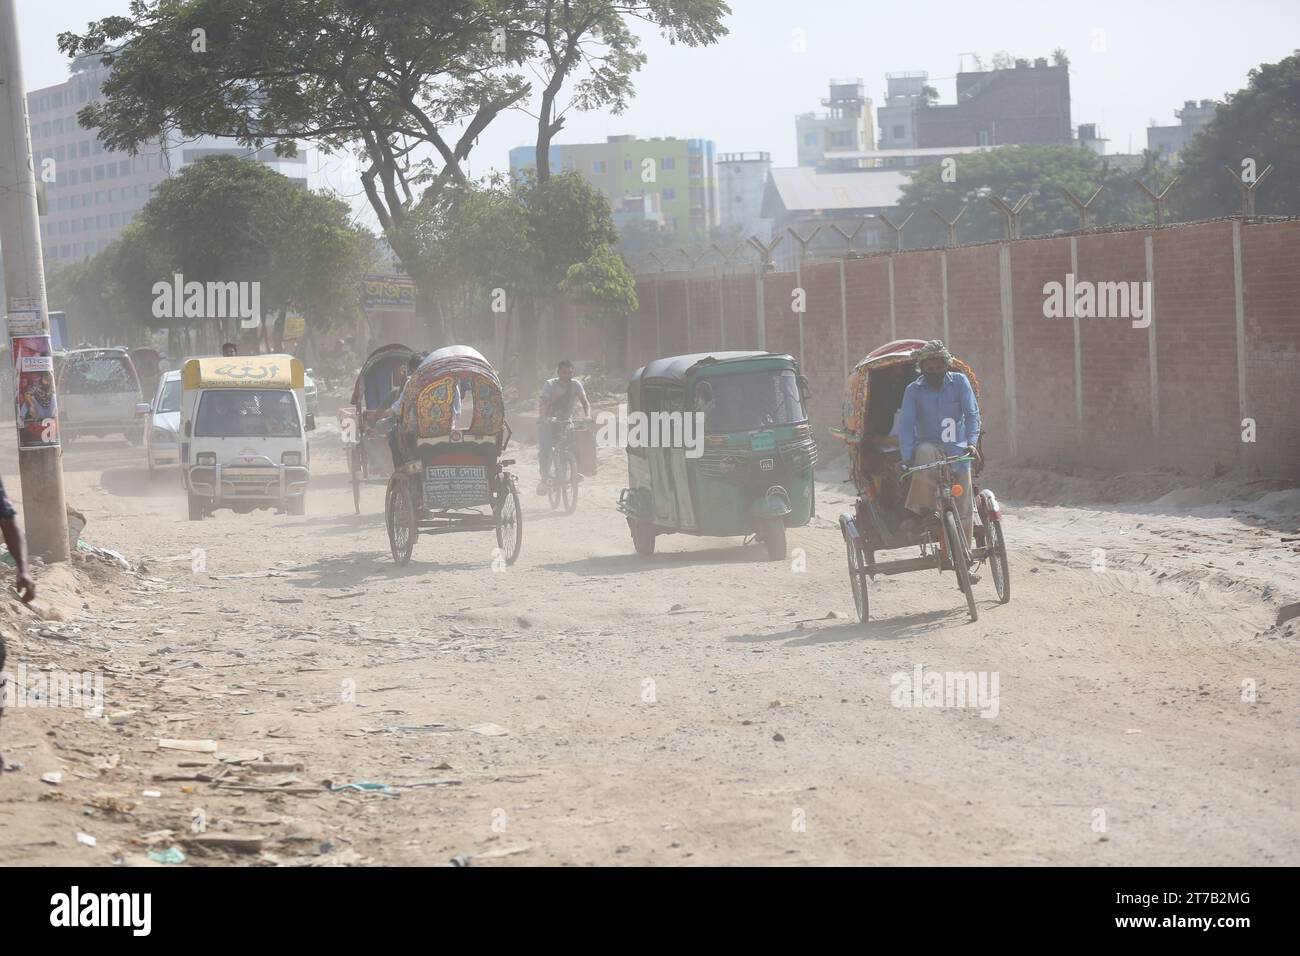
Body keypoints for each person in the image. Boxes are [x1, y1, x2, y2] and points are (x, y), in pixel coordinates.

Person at [896, 340, 982, 552]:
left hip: (958, 447)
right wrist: (906, 456)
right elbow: (906, 425)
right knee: (923, 452)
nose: (935, 371)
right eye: (930, 368)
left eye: (939, 367)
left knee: (964, 504)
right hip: (930, 445)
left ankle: (965, 553)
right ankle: (927, 511)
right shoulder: (913, 390)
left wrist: (972, 444)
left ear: (947, 365)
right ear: (922, 368)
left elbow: (972, 415)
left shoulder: (960, 382)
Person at [537, 359, 590, 495]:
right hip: (548, 421)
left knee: (575, 444)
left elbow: (585, 402)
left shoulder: (576, 384)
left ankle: (574, 470)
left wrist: (587, 415)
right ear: (559, 372)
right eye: (564, 372)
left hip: (566, 421)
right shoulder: (550, 384)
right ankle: (544, 479)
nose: (567, 375)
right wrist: (543, 418)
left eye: (570, 372)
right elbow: (543, 403)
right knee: (545, 449)